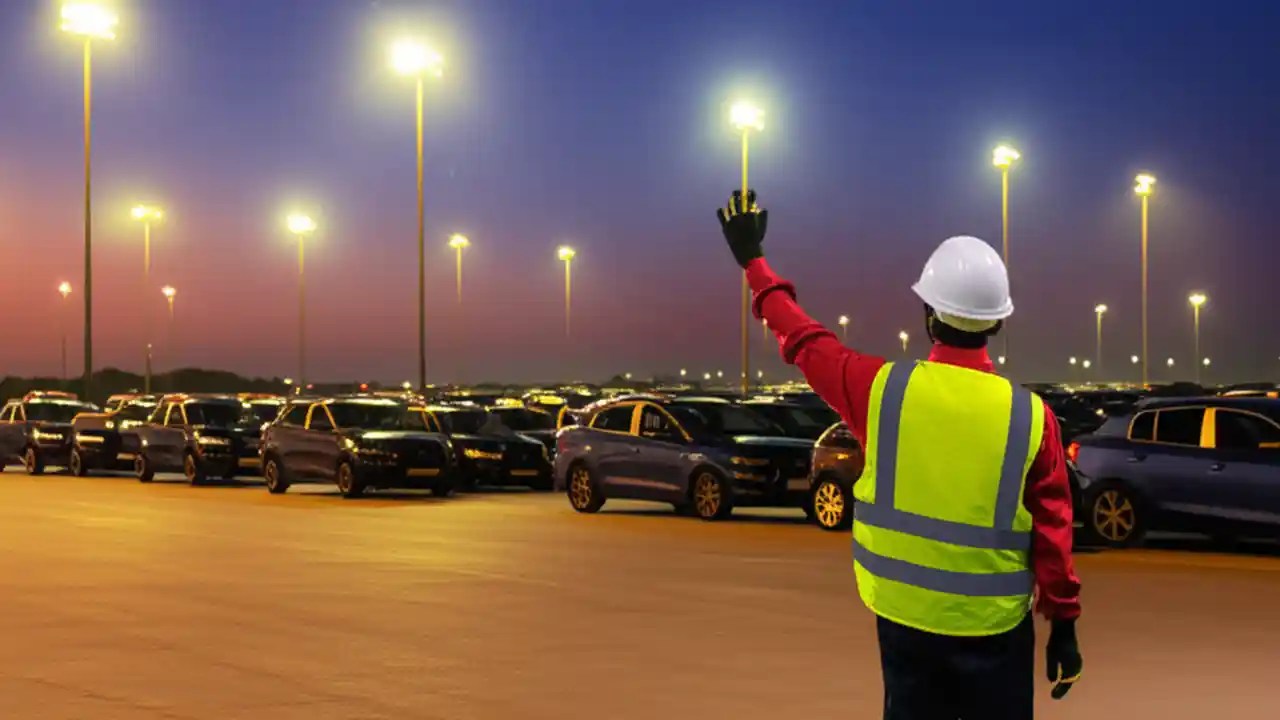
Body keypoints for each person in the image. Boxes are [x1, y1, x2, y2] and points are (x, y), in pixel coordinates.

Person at [716, 190, 1082, 719]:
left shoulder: (881, 390)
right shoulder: (1030, 416)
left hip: (904, 620)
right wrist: (1064, 627)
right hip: (995, 628)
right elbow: (1054, 531)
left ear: (928, 313)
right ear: (998, 323)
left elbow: (802, 336)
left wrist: (754, 262)